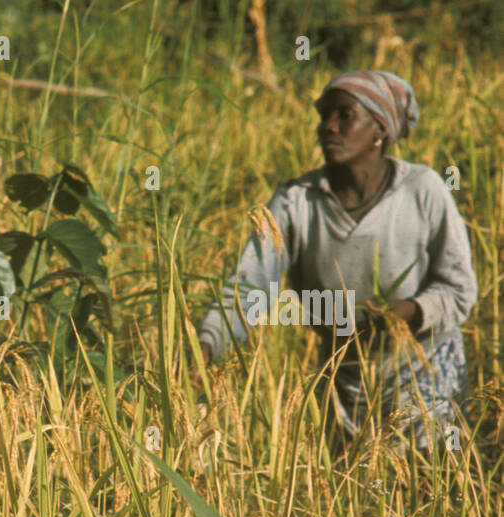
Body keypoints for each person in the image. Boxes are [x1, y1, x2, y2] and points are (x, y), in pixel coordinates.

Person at [196, 70, 477, 450]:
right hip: (345, 374)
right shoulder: (296, 201)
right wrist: (208, 344)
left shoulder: (422, 190)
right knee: (352, 492)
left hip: (425, 370)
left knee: (422, 482)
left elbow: (459, 288)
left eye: (345, 115)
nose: (329, 127)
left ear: (380, 129)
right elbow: (250, 287)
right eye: (324, 116)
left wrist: (410, 311)